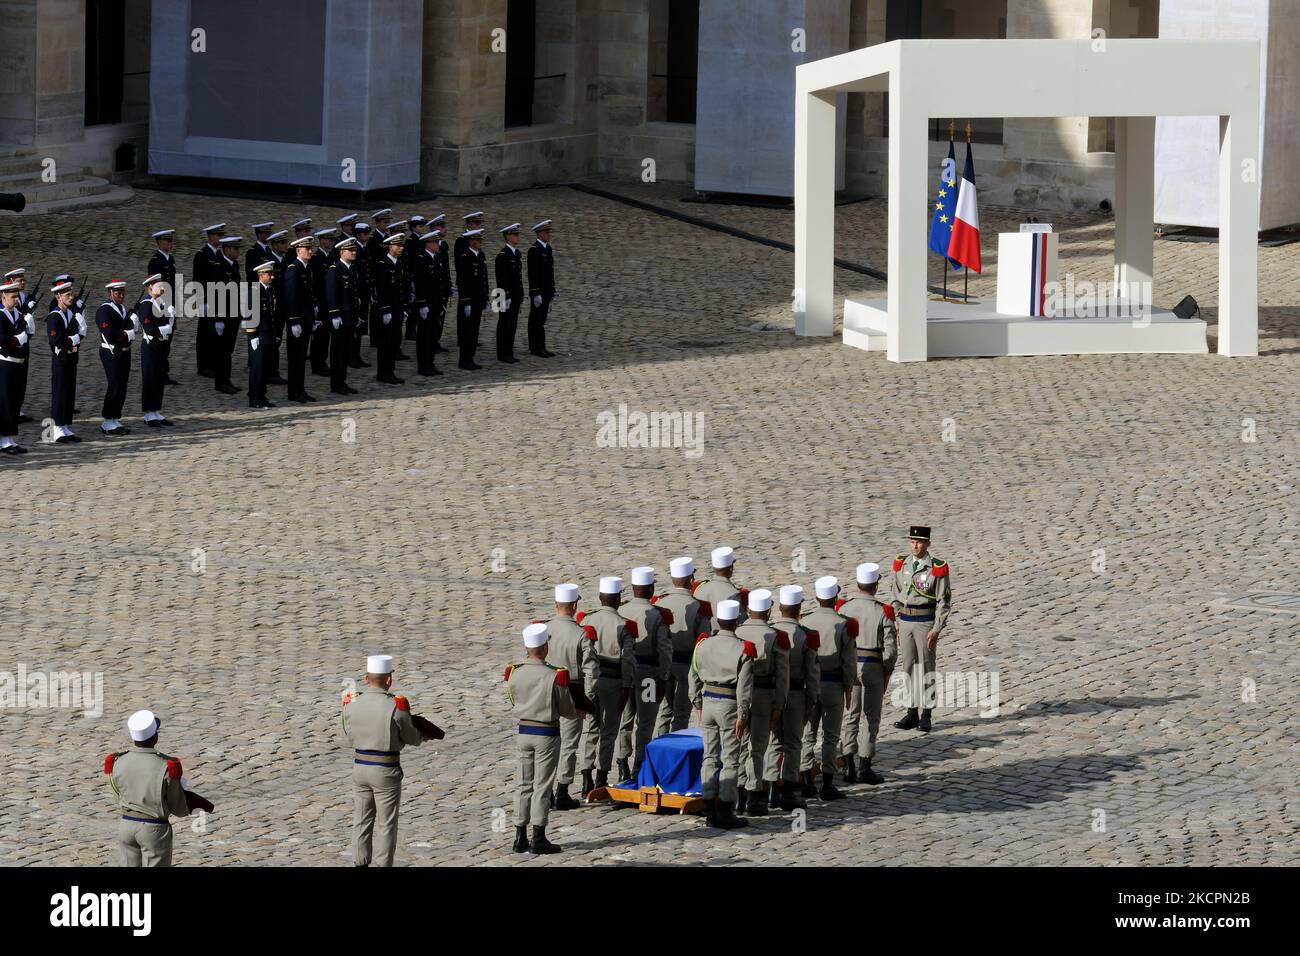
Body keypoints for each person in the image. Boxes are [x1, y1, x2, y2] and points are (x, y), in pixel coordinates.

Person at [339, 654, 443, 867]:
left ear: (366, 678)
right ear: (388, 680)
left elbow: (347, 736)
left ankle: (360, 863)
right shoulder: (396, 706)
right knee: (386, 825)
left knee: (361, 821)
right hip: (385, 769)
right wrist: (421, 736)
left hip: (360, 767)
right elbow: (411, 737)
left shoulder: (351, 703)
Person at [506, 622, 592, 854]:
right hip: (547, 733)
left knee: (523, 784)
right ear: (545, 648)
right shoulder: (554, 676)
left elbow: (513, 700)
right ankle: (539, 837)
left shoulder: (516, 672)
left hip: (524, 731)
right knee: (542, 786)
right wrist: (578, 710)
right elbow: (565, 709)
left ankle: (519, 835)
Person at [103, 709, 214, 867]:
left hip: (126, 825)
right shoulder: (166, 765)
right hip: (154, 829)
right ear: (155, 736)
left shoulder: (117, 761)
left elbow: (116, 793)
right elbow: (178, 807)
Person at [689, 598, 754, 829]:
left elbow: (694, 674)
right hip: (729, 704)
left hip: (707, 702)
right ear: (736, 621)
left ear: (718, 620)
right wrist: (742, 715)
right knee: (730, 759)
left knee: (709, 755)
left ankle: (709, 809)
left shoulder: (703, 644)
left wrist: (697, 702)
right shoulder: (743, 648)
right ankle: (725, 810)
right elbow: (744, 687)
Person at [836, 562, 896, 784]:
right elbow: (890, 650)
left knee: (851, 715)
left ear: (858, 583)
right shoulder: (883, 611)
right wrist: (886, 672)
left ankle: (848, 764)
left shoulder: (844, 608)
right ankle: (865, 765)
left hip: (850, 664)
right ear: (876, 585)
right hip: (872, 665)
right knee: (871, 717)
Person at [799, 575, 857, 799]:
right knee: (831, 736)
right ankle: (828, 783)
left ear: (816, 597)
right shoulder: (844, 624)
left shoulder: (805, 621)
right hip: (833, 683)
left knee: (808, 734)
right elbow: (849, 661)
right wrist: (849, 685)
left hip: (810, 683)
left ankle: (806, 780)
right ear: (835, 598)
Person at [542, 583, 599, 808]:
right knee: (568, 743)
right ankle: (562, 789)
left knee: (548, 742)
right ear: (574, 605)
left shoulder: (543, 630)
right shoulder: (581, 634)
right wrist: (589, 698)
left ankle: (544, 789)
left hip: (545, 689)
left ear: (556, 604)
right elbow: (592, 670)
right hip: (572, 691)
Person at [891, 526, 952, 734]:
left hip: (925, 621)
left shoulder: (936, 568)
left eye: (919, 542)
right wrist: (898, 619)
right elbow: (895, 592)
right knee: (908, 666)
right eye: (912, 541)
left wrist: (936, 628)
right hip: (906, 620)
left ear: (927, 544)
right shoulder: (902, 564)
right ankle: (911, 711)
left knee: (926, 667)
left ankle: (926, 714)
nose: (915, 545)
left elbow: (944, 601)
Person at [766, 585, 820, 810]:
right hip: (796, 694)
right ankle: (788, 791)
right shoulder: (806, 636)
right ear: (799, 609)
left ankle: (769, 790)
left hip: (771, 694)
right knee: (793, 744)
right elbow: (813, 673)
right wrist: (811, 700)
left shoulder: (769, 633)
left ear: (779, 608)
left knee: (773, 742)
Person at [734, 589, 787, 816]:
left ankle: (737, 794)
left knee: (739, 746)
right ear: (769, 611)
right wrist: (779, 705)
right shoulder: (776, 636)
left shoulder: (735, 631)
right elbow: (782, 676)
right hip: (764, 694)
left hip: (738, 695)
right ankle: (755, 796)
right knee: (758, 747)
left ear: (748, 610)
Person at [615, 566, 672, 780]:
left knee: (626, 719)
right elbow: (665, 650)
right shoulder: (659, 616)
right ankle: (640, 764)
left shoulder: (622, 610)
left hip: (626, 673)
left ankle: (622, 762)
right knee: (646, 721)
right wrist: (664, 677)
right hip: (649, 675)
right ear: (650, 589)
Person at [580, 576, 636, 790]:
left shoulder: (587, 620)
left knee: (592, 727)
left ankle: (586, 774)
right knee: (610, 730)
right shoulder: (624, 625)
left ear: (600, 597)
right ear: (618, 599)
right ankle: (602, 775)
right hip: (614, 681)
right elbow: (628, 660)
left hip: (590, 681)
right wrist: (627, 687)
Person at [653, 556, 712, 736]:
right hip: (686, 664)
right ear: (691, 580)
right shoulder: (700, 607)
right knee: (681, 713)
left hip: (664, 662)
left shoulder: (659, 602)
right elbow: (703, 641)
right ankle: (676, 747)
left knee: (665, 710)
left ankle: (660, 744)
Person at [45, 278, 85, 443]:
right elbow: (56, 340)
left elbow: (78, 337)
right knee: (60, 392)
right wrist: (75, 338)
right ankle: (56, 428)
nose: (71, 297)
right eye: (68, 295)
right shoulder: (54, 316)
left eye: (72, 294)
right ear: (58, 297)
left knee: (69, 392)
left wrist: (80, 334)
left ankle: (65, 425)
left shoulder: (70, 314)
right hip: (60, 359)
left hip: (71, 357)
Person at [135, 274, 177, 427]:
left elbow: (168, 323)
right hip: (151, 346)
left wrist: (171, 318)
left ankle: (156, 410)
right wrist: (166, 327)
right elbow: (149, 327)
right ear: (150, 287)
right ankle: (148, 413)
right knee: (150, 378)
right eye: (160, 285)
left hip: (161, 345)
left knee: (159, 378)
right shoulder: (146, 304)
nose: (163, 288)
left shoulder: (161, 303)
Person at [95, 279, 134, 435]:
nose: (121, 296)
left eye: (123, 293)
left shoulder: (123, 309)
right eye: (118, 293)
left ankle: (115, 418)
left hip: (124, 351)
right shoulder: (104, 310)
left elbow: (129, 326)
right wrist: (126, 334)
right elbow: (108, 332)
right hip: (111, 351)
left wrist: (129, 331)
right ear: (110, 293)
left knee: (122, 385)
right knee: (114, 385)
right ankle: (107, 420)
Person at [324, 237, 361, 396]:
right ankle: (336, 383)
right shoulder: (335, 269)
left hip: (350, 316)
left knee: (345, 350)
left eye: (355, 250)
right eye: (350, 250)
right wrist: (334, 314)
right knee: (337, 351)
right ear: (341, 252)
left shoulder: (352, 268)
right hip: (340, 317)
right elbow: (331, 293)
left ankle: (342, 380)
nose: (354, 252)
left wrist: (357, 314)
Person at [283, 235, 317, 403]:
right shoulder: (293, 268)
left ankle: (300, 389)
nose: (311, 251)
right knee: (295, 358)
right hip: (297, 321)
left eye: (311, 248)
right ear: (298, 250)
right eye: (307, 249)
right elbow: (290, 297)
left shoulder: (307, 267)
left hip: (306, 319)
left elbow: (308, 294)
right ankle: (293, 392)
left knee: (301, 357)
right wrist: (293, 321)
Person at [371, 232, 408, 385]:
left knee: (394, 341)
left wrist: (404, 307)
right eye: (398, 245)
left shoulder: (398, 263)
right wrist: (385, 310)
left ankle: (390, 370)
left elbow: (400, 287)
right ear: (390, 246)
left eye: (402, 245)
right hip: (387, 311)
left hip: (397, 309)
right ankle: (383, 372)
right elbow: (381, 290)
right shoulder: (383, 265)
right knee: (385, 343)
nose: (401, 248)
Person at [0, 279, 31, 454]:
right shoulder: (0, 315)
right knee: (4, 401)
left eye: (17, 296)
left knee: (14, 401)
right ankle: (3, 439)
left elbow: (25, 336)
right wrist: (17, 339)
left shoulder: (17, 314)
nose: (16, 300)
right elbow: (2, 339)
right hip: (5, 364)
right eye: (12, 297)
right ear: (3, 297)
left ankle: (10, 438)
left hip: (19, 363)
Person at [410, 229, 446, 376]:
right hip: (426, 304)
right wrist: (422, 303)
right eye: (435, 242)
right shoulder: (421, 259)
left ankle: (430, 363)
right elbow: (420, 283)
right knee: (424, 336)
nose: (438, 244)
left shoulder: (435, 258)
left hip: (435, 303)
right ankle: (423, 366)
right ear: (428, 244)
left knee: (432, 335)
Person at [192, 223, 225, 378]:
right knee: (204, 334)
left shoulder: (219, 255)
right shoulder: (202, 255)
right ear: (210, 236)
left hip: (217, 300)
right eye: (217, 235)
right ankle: (203, 365)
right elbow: (197, 280)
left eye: (220, 235)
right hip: (206, 300)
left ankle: (212, 363)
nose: (219, 238)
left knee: (214, 335)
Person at [211, 236, 244, 395]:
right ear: (226, 249)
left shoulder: (234, 265)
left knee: (228, 349)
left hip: (233, 314)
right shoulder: (219, 267)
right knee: (222, 350)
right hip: (223, 316)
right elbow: (215, 294)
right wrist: (218, 318)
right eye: (235, 248)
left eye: (238, 248)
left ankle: (226, 379)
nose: (238, 251)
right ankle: (221, 382)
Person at [454, 227, 489, 370]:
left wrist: (485, 298)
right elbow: (463, 281)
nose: (480, 242)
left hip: (478, 299)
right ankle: (464, 359)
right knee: (467, 332)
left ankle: (471, 357)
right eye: (477, 239)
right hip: (468, 301)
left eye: (480, 239)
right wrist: (465, 301)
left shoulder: (480, 255)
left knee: (474, 330)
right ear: (471, 241)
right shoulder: (465, 257)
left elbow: (484, 279)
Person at [244, 262, 276, 409]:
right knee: (257, 368)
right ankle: (254, 397)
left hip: (267, 334)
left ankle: (262, 395)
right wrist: (252, 336)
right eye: (269, 274)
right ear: (261, 275)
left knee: (265, 367)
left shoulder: (268, 290)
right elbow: (249, 314)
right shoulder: (254, 291)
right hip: (258, 335)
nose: (272, 276)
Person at [695, 546, 748, 633]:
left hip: (705, 641)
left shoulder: (700, 589)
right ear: (731, 568)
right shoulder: (733, 594)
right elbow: (740, 622)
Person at [309, 228, 338, 377]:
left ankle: (323, 361)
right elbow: (313, 283)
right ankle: (317, 364)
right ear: (321, 240)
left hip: (329, 302)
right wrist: (314, 303)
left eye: (333, 239)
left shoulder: (332, 257)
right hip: (320, 302)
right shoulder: (316, 259)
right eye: (329, 239)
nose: (332, 242)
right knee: (319, 336)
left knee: (326, 334)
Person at [526, 219, 557, 357]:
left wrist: (552, 289)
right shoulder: (534, 250)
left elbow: (550, 271)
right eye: (546, 232)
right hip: (538, 291)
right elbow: (533, 273)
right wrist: (535, 292)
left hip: (547, 290)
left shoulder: (547, 248)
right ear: (539, 234)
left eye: (549, 232)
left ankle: (542, 346)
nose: (548, 234)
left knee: (542, 319)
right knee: (536, 319)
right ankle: (535, 347)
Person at [493, 223, 524, 363]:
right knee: (504, 324)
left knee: (512, 324)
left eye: (517, 234)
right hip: (502, 294)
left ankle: (509, 351)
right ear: (507, 237)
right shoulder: (502, 255)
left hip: (514, 295)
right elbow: (501, 278)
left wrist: (520, 294)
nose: (517, 237)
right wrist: (506, 296)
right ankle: (502, 353)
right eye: (514, 235)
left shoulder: (516, 253)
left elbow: (518, 277)